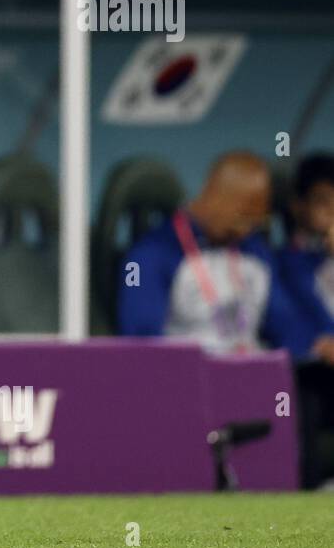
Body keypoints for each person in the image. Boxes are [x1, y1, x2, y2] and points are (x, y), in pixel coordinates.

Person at [117, 150, 311, 356]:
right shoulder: (149, 255)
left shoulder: (255, 250)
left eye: (254, 222)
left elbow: (285, 323)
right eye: (241, 216)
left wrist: (316, 344)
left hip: (252, 373)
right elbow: (142, 343)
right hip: (186, 378)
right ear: (213, 196)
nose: (244, 230)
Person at [278, 152, 334, 487]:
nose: (332, 213)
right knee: (304, 387)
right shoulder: (286, 263)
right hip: (318, 375)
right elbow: (282, 323)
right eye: (323, 202)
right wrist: (319, 344)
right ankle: (309, 492)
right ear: (299, 207)